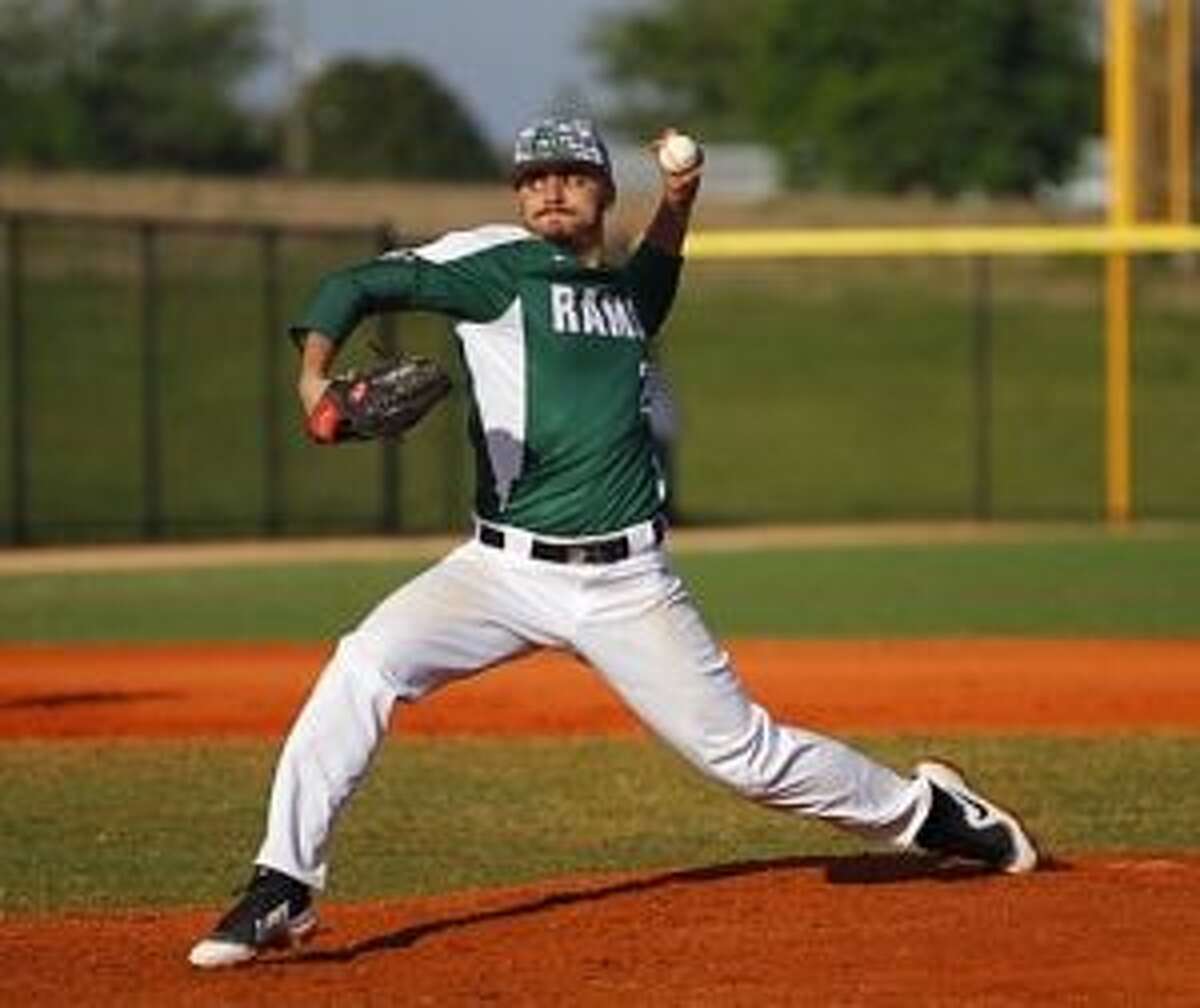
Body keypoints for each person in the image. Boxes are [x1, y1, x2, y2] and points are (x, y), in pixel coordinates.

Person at [188, 117, 1038, 969]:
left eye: (568, 173)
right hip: (496, 569)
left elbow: (658, 270)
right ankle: (284, 885)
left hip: (625, 581)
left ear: (603, 188)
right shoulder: (495, 267)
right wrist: (312, 380)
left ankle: (928, 811)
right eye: (532, 177)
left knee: (743, 754)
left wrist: (681, 197)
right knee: (364, 665)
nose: (548, 188)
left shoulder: (630, 296)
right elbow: (352, 286)